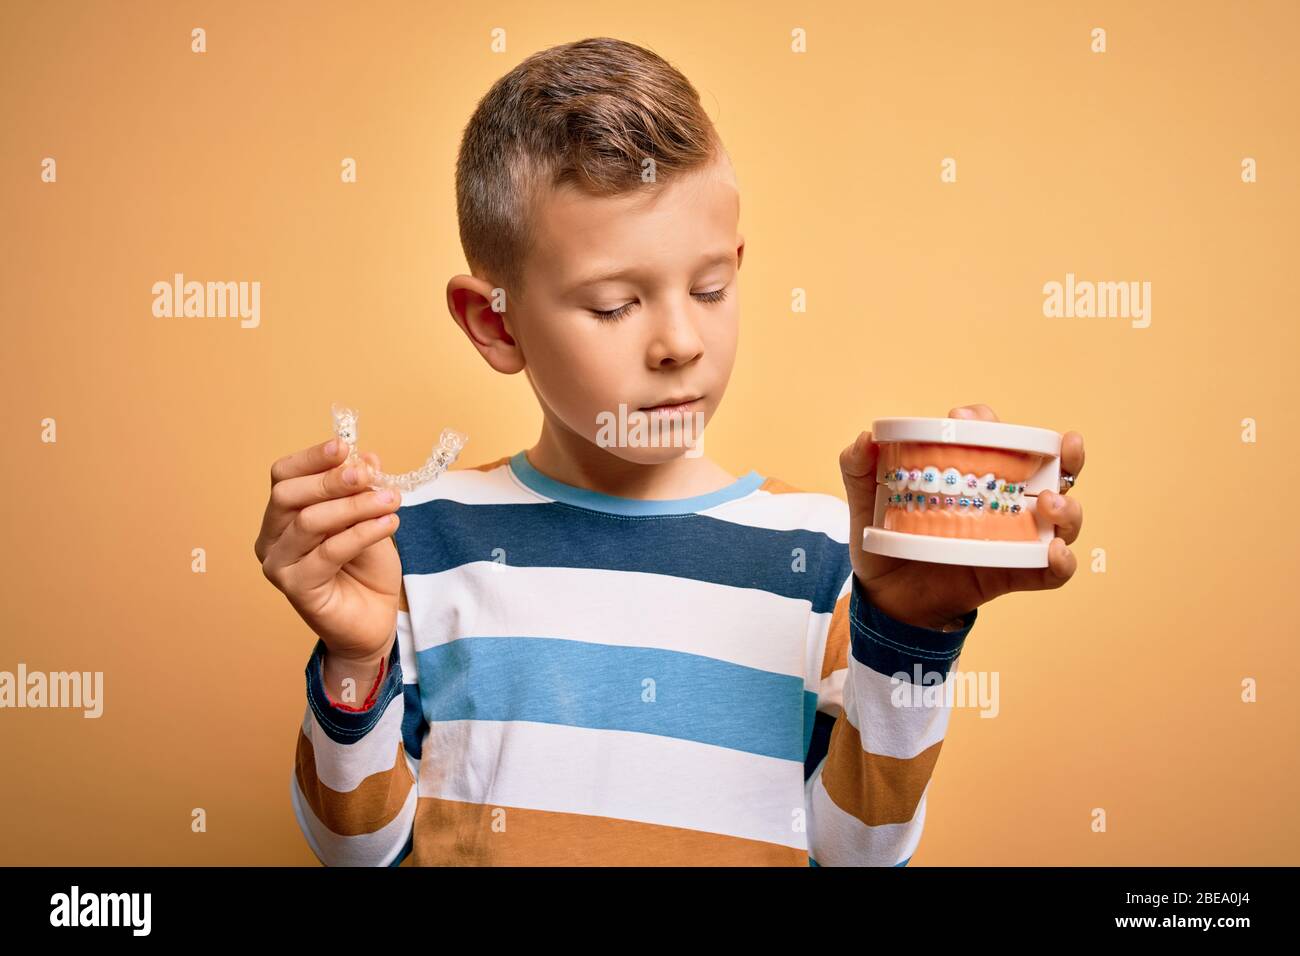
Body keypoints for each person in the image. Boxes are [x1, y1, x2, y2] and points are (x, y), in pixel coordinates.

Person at [254, 37, 1086, 866]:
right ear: (496, 322)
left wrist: (909, 635)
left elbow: (861, 855)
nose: (682, 342)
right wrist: (356, 660)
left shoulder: (827, 554)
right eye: (616, 306)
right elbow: (356, 854)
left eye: (711, 289)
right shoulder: (417, 547)